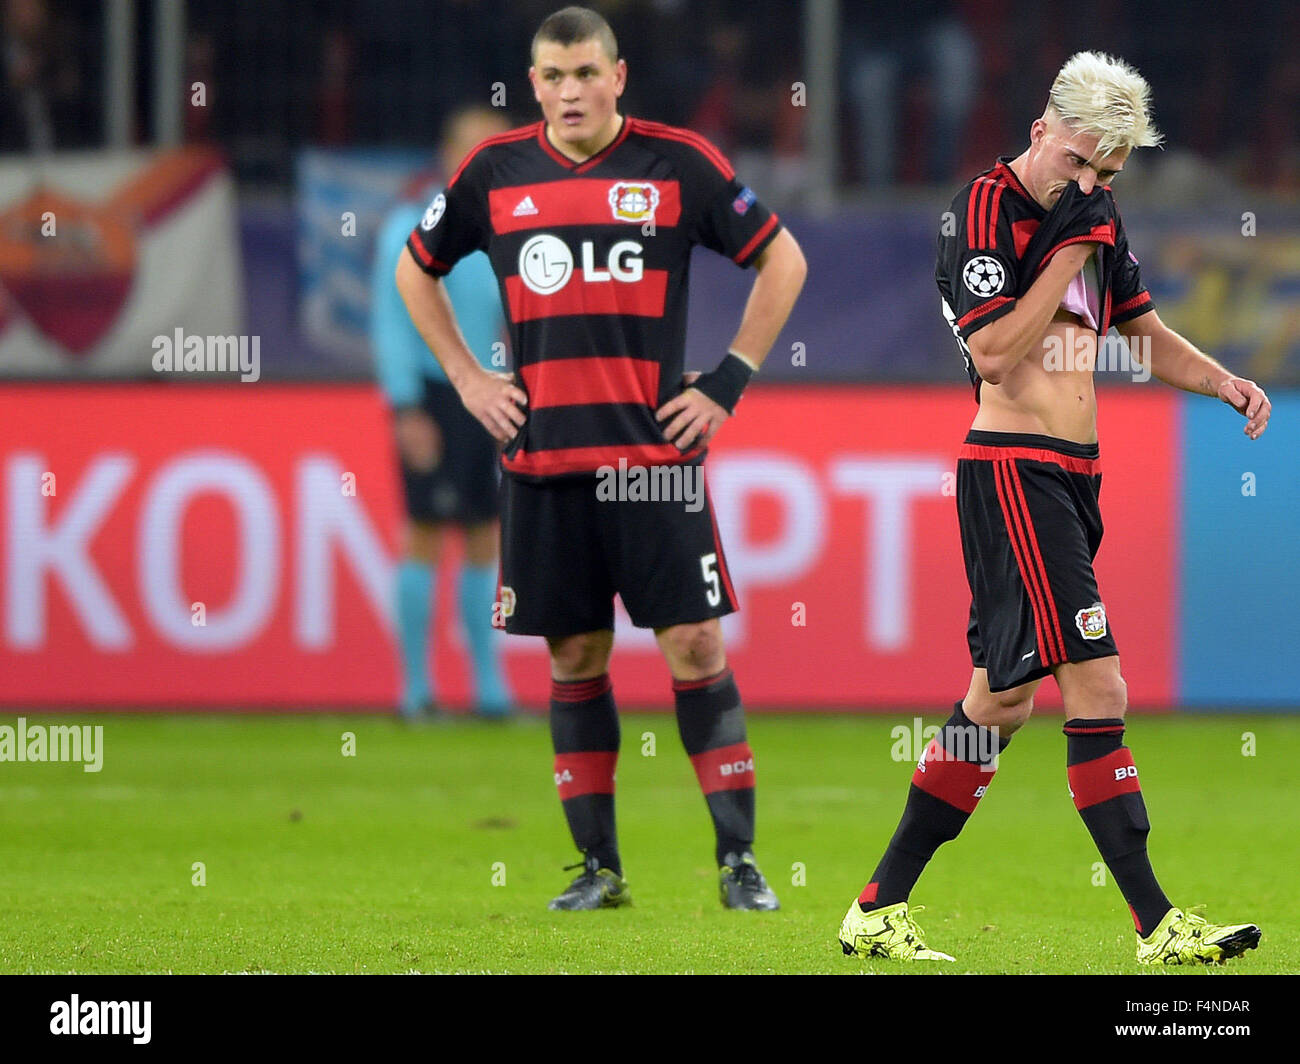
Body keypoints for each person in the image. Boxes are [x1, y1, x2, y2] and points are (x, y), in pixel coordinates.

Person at [838, 51, 1270, 965]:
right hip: (1015, 468)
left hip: (1075, 477)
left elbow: (1143, 337)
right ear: (1042, 129)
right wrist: (1072, 242)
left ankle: (878, 907)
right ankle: (1159, 925)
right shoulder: (983, 210)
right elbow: (995, 352)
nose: (1092, 183)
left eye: (1108, 174)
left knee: (997, 703)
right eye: (1080, 162)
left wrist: (1223, 380)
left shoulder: (1097, 217)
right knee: (1099, 685)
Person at [396, 6, 806, 910]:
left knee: (694, 644)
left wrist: (728, 381)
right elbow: (412, 267)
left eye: (587, 74)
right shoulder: (493, 173)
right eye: (552, 77)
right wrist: (467, 380)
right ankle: (598, 870)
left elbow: (782, 260)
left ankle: (739, 862)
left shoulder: (677, 164)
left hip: (654, 460)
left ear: (618, 77)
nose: (570, 92)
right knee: (575, 654)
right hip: (543, 463)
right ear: (533, 83)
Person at [371, 106, 515, 721]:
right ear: (447, 153)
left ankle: (488, 685)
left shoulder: (514, 228)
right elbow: (392, 321)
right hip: (434, 395)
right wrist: (406, 406)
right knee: (426, 531)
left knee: (486, 535)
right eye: (468, 147)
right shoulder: (412, 225)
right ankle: (414, 688)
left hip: (495, 397)